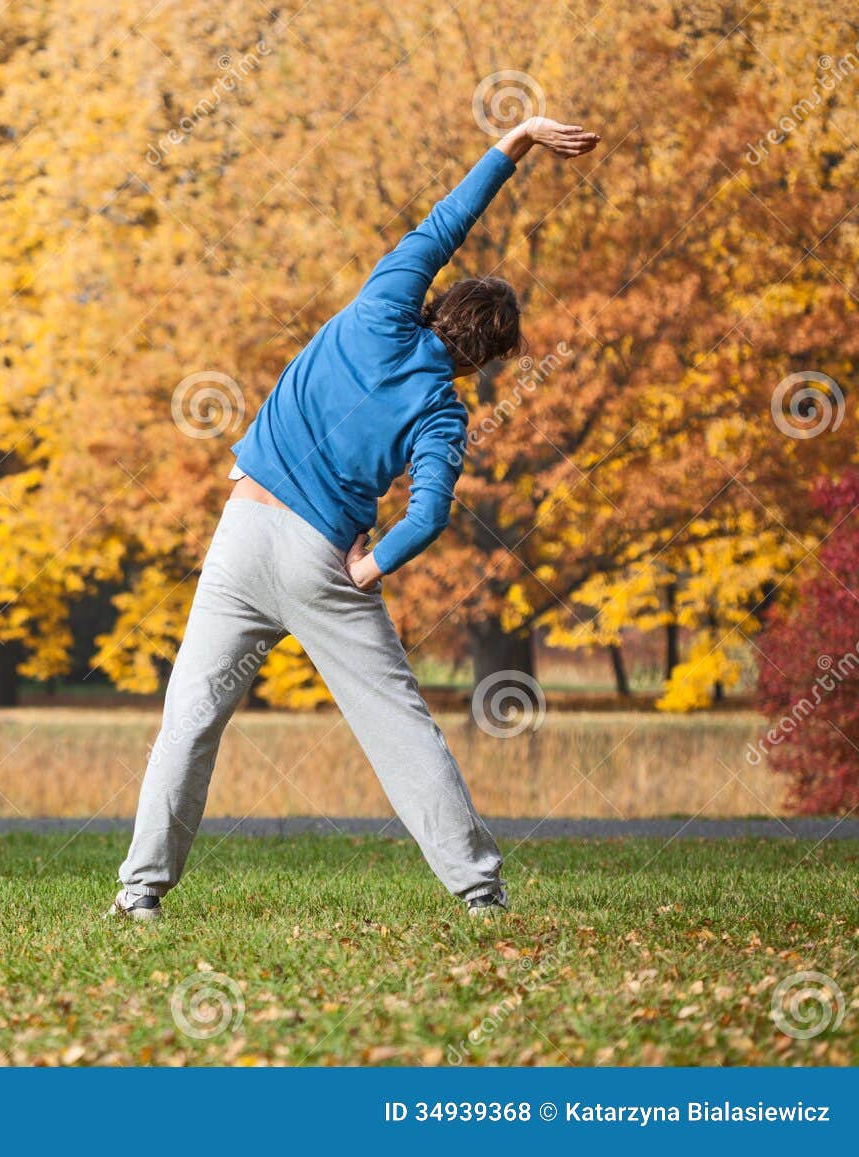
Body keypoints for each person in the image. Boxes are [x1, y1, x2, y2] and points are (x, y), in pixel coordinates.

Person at [112, 115, 600, 922]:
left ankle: (140, 895)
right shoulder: (443, 413)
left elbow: (447, 220)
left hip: (240, 533)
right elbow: (430, 514)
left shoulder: (384, 303)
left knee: (190, 721)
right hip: (319, 557)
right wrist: (371, 568)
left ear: (438, 300)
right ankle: (480, 892)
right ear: (484, 359)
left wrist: (515, 140)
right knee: (398, 726)